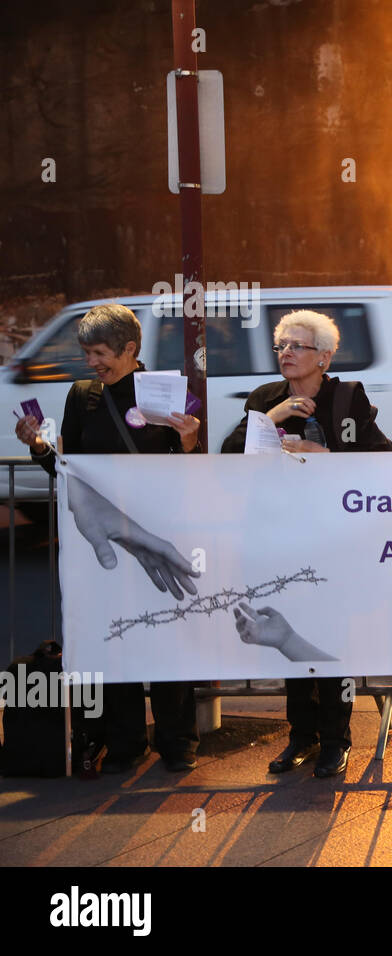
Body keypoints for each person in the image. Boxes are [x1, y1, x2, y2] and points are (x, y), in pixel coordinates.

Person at [13, 303, 203, 773]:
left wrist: (189, 442)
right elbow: (71, 471)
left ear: (130, 349)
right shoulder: (82, 396)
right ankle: (125, 743)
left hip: (159, 538)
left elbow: (195, 473)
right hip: (105, 547)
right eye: (87, 354)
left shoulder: (168, 392)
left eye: (100, 353)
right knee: (115, 638)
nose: (92, 363)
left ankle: (177, 743)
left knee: (165, 639)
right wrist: (40, 447)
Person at [221, 309, 392, 778]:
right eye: (281, 346)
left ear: (324, 356)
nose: (286, 354)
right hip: (278, 536)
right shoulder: (265, 398)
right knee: (289, 634)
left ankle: (336, 739)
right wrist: (271, 418)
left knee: (332, 638)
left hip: (333, 539)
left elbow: (380, 458)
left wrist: (326, 456)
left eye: (297, 346)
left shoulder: (347, 398)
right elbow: (229, 456)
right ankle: (301, 735)